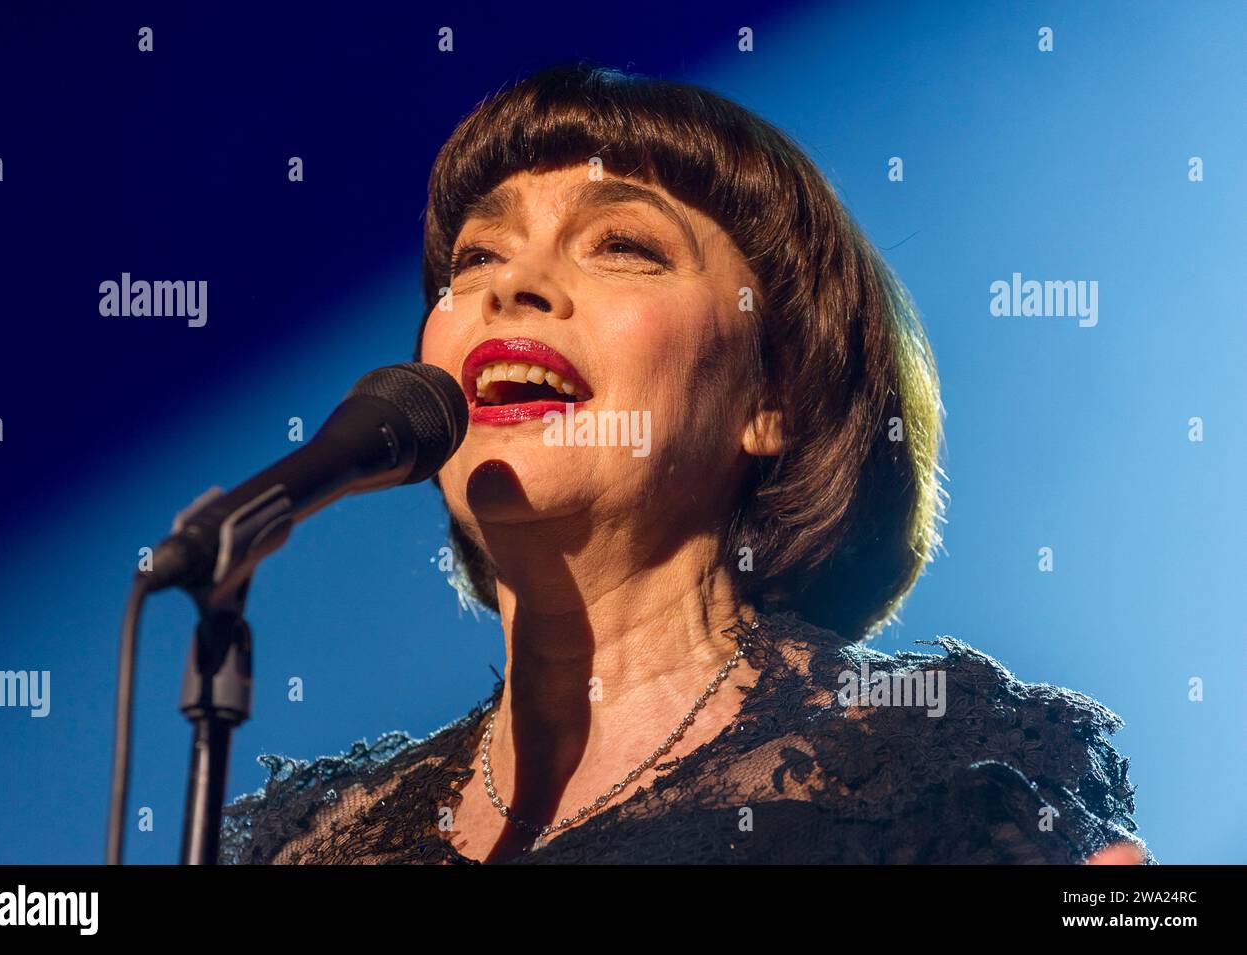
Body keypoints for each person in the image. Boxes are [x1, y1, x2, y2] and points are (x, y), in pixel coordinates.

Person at [218, 63, 1152, 865]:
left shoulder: (935, 769)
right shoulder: (317, 842)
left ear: (770, 397)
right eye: (476, 256)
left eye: (622, 245)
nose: (512, 283)